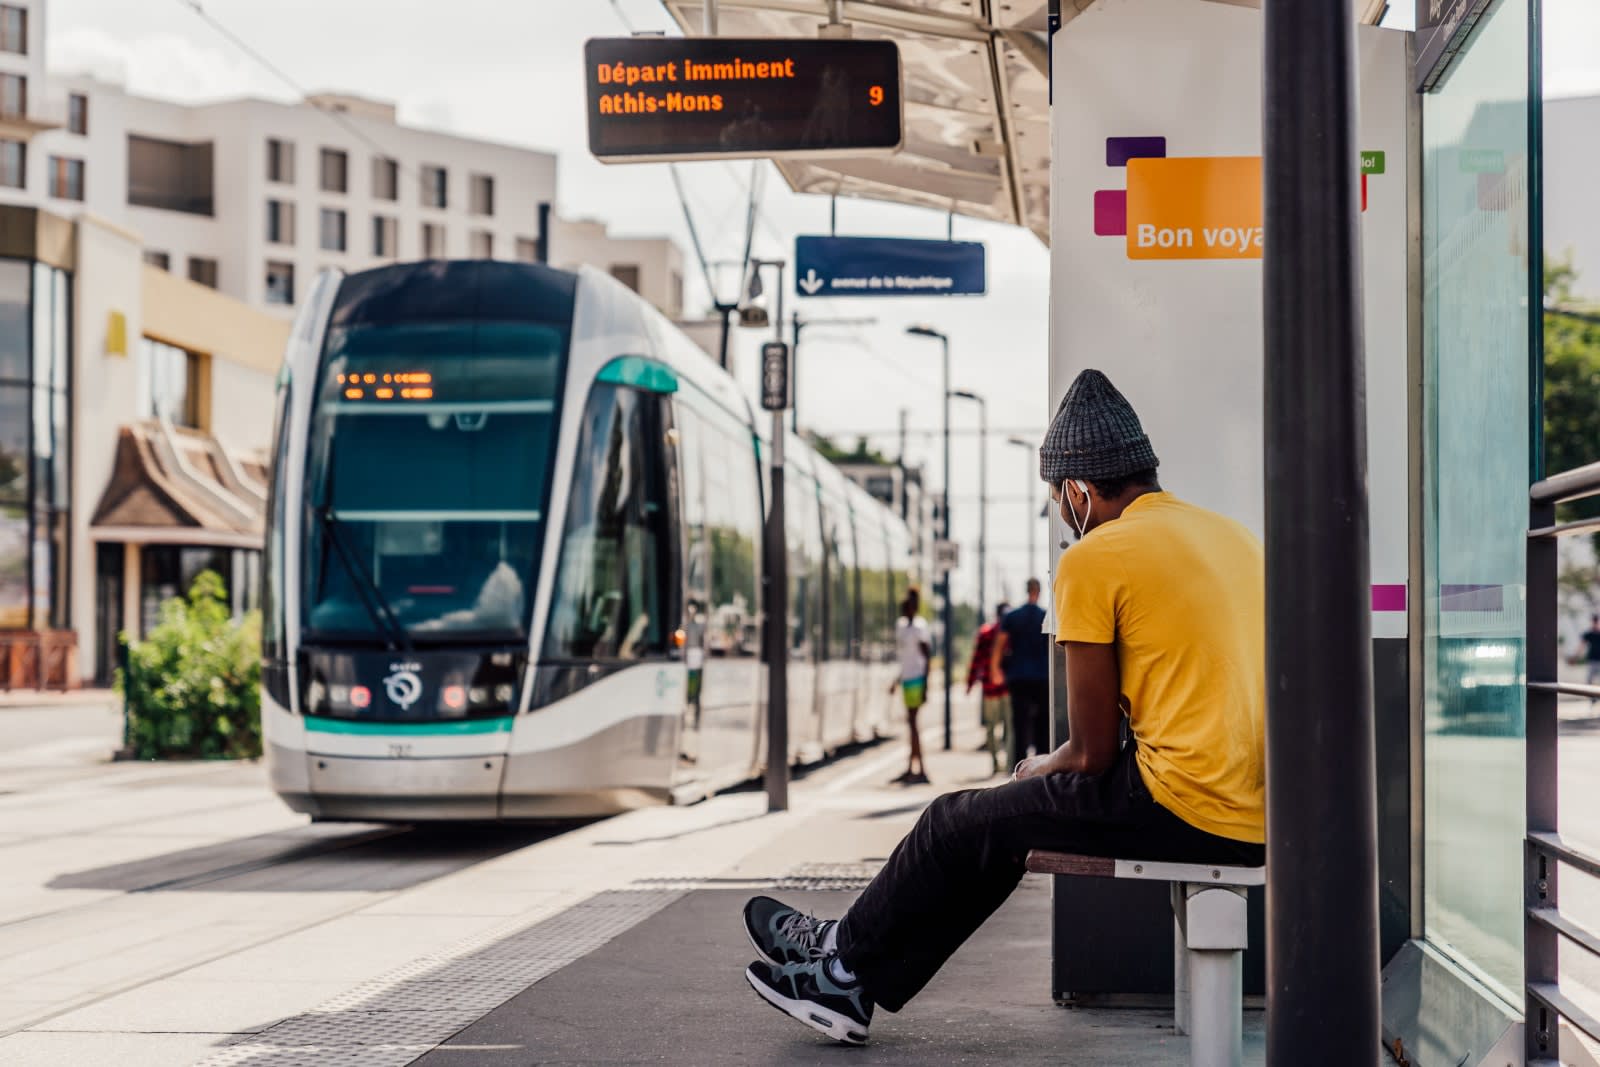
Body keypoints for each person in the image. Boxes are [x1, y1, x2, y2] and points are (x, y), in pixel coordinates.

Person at [741, 368, 1266, 1046]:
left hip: (1186, 807)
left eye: (1057, 497)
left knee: (954, 820)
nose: (1061, 512)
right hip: (1257, 810)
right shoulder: (1232, 537)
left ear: (1077, 488)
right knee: (992, 827)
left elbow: (1092, 752)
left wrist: (1035, 766)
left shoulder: (1095, 557)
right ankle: (845, 961)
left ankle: (842, 965)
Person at [992, 579, 1050, 767]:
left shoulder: (1013, 616)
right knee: (1043, 726)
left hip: (1019, 676)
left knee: (1020, 726)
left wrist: (995, 669)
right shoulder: (1047, 616)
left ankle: (1019, 768)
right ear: (1039, 592)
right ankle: (1042, 769)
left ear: (1026, 591)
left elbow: (1000, 644)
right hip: (1042, 676)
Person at [889, 588, 932, 785]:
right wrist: (897, 681)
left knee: (913, 724)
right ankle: (913, 768)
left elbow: (926, 656)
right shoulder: (901, 626)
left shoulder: (920, 627)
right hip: (907, 680)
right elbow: (905, 659)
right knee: (911, 724)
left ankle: (920, 769)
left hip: (916, 680)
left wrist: (925, 685)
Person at [965, 602, 1010, 774]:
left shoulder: (986, 633)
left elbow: (976, 660)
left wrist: (969, 683)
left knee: (991, 727)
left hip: (989, 688)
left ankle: (995, 764)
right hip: (1007, 688)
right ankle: (1009, 763)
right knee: (1010, 728)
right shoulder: (1010, 633)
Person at [1583, 614, 1600, 706]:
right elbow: (1582, 646)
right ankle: (1593, 698)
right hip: (1592, 660)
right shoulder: (1589, 634)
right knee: (1589, 680)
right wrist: (1575, 657)